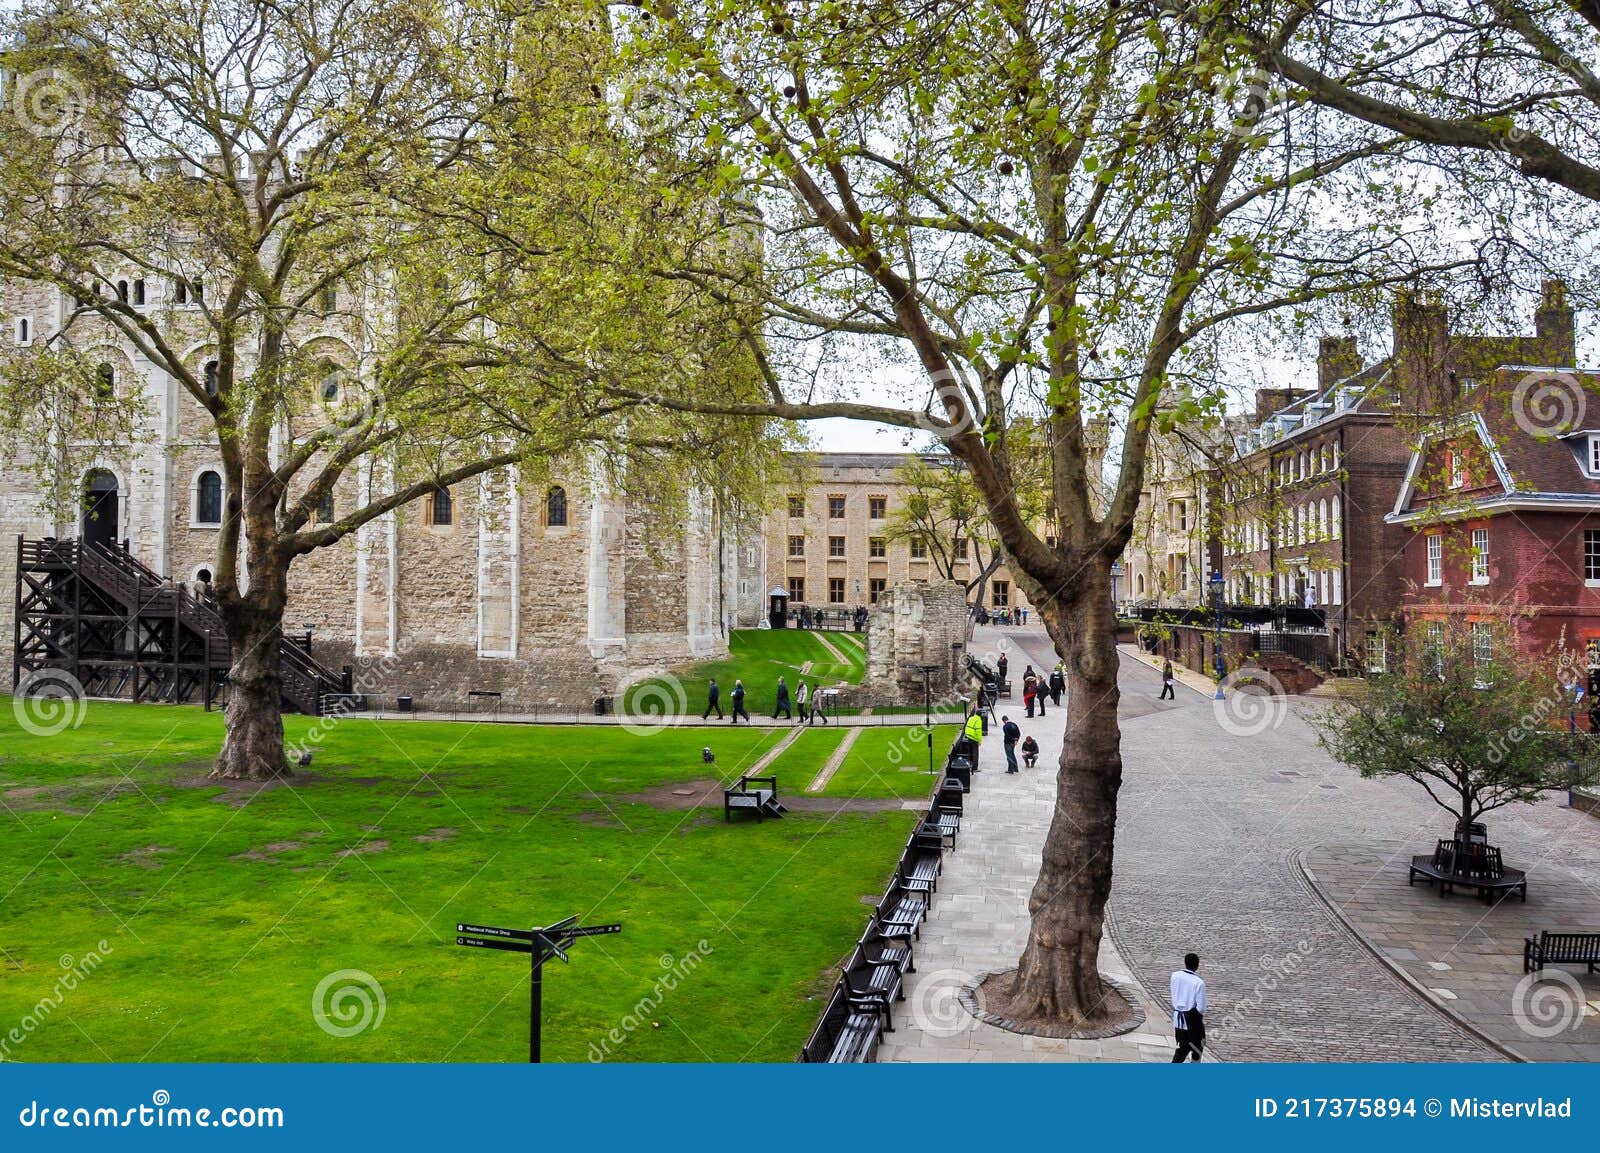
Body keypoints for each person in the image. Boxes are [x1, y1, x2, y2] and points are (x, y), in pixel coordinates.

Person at [1170, 953, 1207, 1063]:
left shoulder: (1175, 976)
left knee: (1182, 1047)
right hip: (1192, 1021)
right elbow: (1201, 1008)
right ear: (1197, 965)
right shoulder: (1199, 983)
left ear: (1185, 963)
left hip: (1178, 1019)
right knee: (1197, 1048)